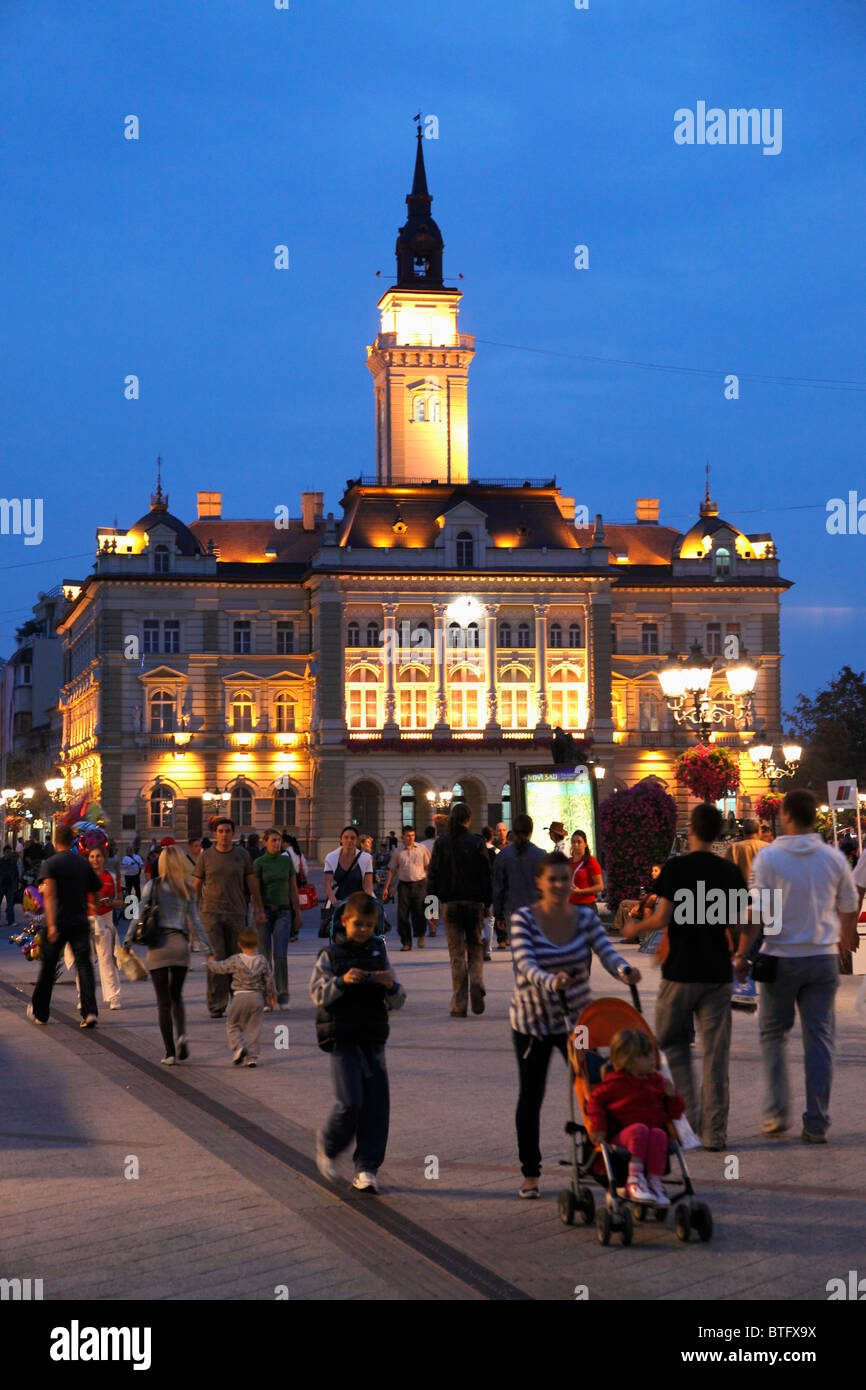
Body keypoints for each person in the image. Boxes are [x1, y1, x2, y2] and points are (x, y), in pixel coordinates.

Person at [509, 851, 639, 1197]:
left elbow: (606, 952)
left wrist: (625, 970)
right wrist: (552, 981)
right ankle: (531, 1173)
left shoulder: (585, 918)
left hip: (578, 1020)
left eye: (565, 879)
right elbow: (525, 963)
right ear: (539, 882)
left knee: (593, 1089)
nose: (559, 885)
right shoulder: (523, 919)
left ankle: (599, 1159)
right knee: (531, 1095)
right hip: (533, 1022)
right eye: (552, 879)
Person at [735, 789, 860, 1142]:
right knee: (819, 1039)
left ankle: (777, 1112)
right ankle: (817, 1121)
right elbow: (850, 903)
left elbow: (757, 911)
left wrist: (743, 954)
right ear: (813, 818)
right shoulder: (833, 858)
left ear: (787, 816)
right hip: (821, 960)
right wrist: (843, 938)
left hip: (780, 959)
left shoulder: (770, 858)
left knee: (773, 1035)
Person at [626, 803, 747, 1150]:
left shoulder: (676, 868)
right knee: (715, 1055)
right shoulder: (729, 872)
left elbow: (663, 917)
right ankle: (716, 1134)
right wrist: (741, 954)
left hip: (680, 972)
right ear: (719, 834)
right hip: (717, 973)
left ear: (691, 830)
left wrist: (637, 926)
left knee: (670, 1044)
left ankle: (689, 1120)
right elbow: (737, 924)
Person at [311, 890, 406, 1193]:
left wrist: (391, 986)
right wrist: (341, 981)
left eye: (368, 925)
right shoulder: (330, 955)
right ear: (345, 921)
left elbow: (399, 1000)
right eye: (357, 924)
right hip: (343, 1038)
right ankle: (329, 1144)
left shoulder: (379, 953)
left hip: (373, 1037)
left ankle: (367, 1167)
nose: (363, 930)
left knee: (377, 1105)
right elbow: (317, 993)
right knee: (350, 1101)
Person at [585, 1028, 684, 1205]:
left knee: (660, 1134)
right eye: (646, 1056)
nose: (652, 1059)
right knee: (640, 1130)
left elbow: (675, 1112)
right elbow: (594, 1102)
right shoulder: (615, 1083)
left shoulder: (657, 1081)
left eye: (651, 1055)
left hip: (650, 1133)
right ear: (628, 1061)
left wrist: (672, 1096)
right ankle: (634, 1180)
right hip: (622, 1134)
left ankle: (654, 1182)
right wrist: (598, 1127)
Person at [131, 845, 203, 1064]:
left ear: (161, 863)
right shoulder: (187, 887)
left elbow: (138, 914)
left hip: (158, 947)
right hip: (180, 946)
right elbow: (196, 922)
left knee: (163, 1002)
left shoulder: (152, 885)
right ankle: (182, 1034)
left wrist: (127, 941)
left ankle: (170, 1052)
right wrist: (209, 949)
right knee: (177, 997)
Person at [28, 824, 101, 1027]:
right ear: (72, 841)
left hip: (58, 922)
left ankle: (41, 1012)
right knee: (84, 966)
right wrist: (93, 907)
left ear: (56, 841)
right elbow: (96, 889)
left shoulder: (50, 863)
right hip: (80, 921)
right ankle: (89, 1012)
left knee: (49, 968)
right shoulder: (83, 863)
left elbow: (49, 894)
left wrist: (51, 925)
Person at [194, 818, 266, 1019]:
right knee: (217, 958)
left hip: (236, 913)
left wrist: (258, 907)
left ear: (233, 833)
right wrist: (193, 910)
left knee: (237, 959)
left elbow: (252, 883)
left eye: (227, 831)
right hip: (211, 913)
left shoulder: (242, 855)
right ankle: (216, 1005)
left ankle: (238, 1002)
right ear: (215, 834)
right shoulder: (206, 856)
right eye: (220, 831)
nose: (224, 834)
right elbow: (197, 885)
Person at [426, 802, 492, 1017]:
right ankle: (476, 980)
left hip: (450, 905)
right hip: (473, 904)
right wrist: (488, 903)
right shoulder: (477, 842)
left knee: (456, 954)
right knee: (475, 947)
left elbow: (432, 878)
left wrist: (431, 911)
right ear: (469, 820)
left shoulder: (442, 843)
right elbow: (485, 875)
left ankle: (459, 1003)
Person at [206, 928, 276, 1066]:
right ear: (256, 944)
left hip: (239, 996)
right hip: (257, 998)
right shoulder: (262, 960)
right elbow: (269, 979)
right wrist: (272, 996)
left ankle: (238, 1047)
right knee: (254, 1028)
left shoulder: (236, 960)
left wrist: (209, 962)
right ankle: (252, 1058)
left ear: (239, 944)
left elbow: (221, 968)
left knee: (233, 1024)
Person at [253, 828, 300, 1009]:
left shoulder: (286, 862)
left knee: (280, 954)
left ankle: (282, 995)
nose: (276, 844)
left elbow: (293, 888)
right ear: (265, 842)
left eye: (278, 840)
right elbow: (255, 891)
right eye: (273, 840)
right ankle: (266, 996)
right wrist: (259, 911)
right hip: (264, 911)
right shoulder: (259, 863)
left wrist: (297, 912)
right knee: (264, 956)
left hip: (283, 912)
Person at [492, 813, 545, 949]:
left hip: (513, 910)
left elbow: (498, 888)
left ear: (513, 832)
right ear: (531, 831)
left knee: (520, 956)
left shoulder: (503, 856)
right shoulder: (541, 855)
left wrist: (498, 914)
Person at [87, 845, 124, 1011]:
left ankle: (114, 996)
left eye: (98, 856)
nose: (96, 859)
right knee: (85, 963)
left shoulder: (112, 877)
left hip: (105, 920)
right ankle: (85, 998)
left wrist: (111, 902)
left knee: (107, 960)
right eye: (92, 856)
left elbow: (122, 901)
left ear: (104, 858)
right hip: (87, 921)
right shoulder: (83, 877)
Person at [383, 826, 430, 951]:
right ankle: (406, 942)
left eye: (413, 835)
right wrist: (386, 887)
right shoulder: (398, 852)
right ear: (403, 837)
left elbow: (428, 866)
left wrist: (431, 882)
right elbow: (392, 870)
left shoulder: (422, 849)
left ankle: (420, 934)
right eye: (408, 835)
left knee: (419, 912)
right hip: (404, 885)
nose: (411, 838)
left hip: (420, 884)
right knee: (402, 915)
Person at [323, 826, 375, 910]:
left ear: (357, 840)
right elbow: (326, 884)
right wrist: (334, 901)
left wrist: (365, 902)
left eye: (353, 838)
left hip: (360, 902)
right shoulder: (331, 857)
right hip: (338, 901)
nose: (349, 840)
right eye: (346, 837)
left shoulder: (366, 858)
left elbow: (368, 885)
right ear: (341, 839)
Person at [612, 864, 662, 935]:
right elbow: (650, 894)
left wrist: (638, 905)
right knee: (624, 903)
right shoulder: (655, 881)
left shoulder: (663, 882)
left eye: (656, 871)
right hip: (645, 902)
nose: (652, 873)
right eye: (652, 871)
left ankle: (619, 930)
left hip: (649, 905)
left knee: (626, 910)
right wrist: (644, 896)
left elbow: (654, 897)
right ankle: (618, 929)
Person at [568, 829, 603, 907]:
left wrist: (580, 891)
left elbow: (600, 886)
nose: (576, 845)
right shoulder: (568, 862)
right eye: (573, 842)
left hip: (586, 905)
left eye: (579, 842)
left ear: (585, 844)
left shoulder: (590, 861)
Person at [725, 817, 764, 882]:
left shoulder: (733, 848)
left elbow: (727, 873)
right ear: (759, 832)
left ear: (743, 832)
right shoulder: (768, 848)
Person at [480, 826, 498, 960]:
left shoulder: (477, 851)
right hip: (492, 890)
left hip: (478, 890)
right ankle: (488, 951)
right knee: (490, 921)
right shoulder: (497, 852)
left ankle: (480, 942)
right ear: (493, 837)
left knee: (478, 920)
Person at [0, 845, 18, 926]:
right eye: (7, 852)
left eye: (10, 852)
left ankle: (11, 921)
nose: (9, 854)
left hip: (10, 885)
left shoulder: (13, 862)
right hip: (1, 885)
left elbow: (16, 873)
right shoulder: (0, 861)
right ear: (4, 853)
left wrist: (16, 883)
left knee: (10, 904)